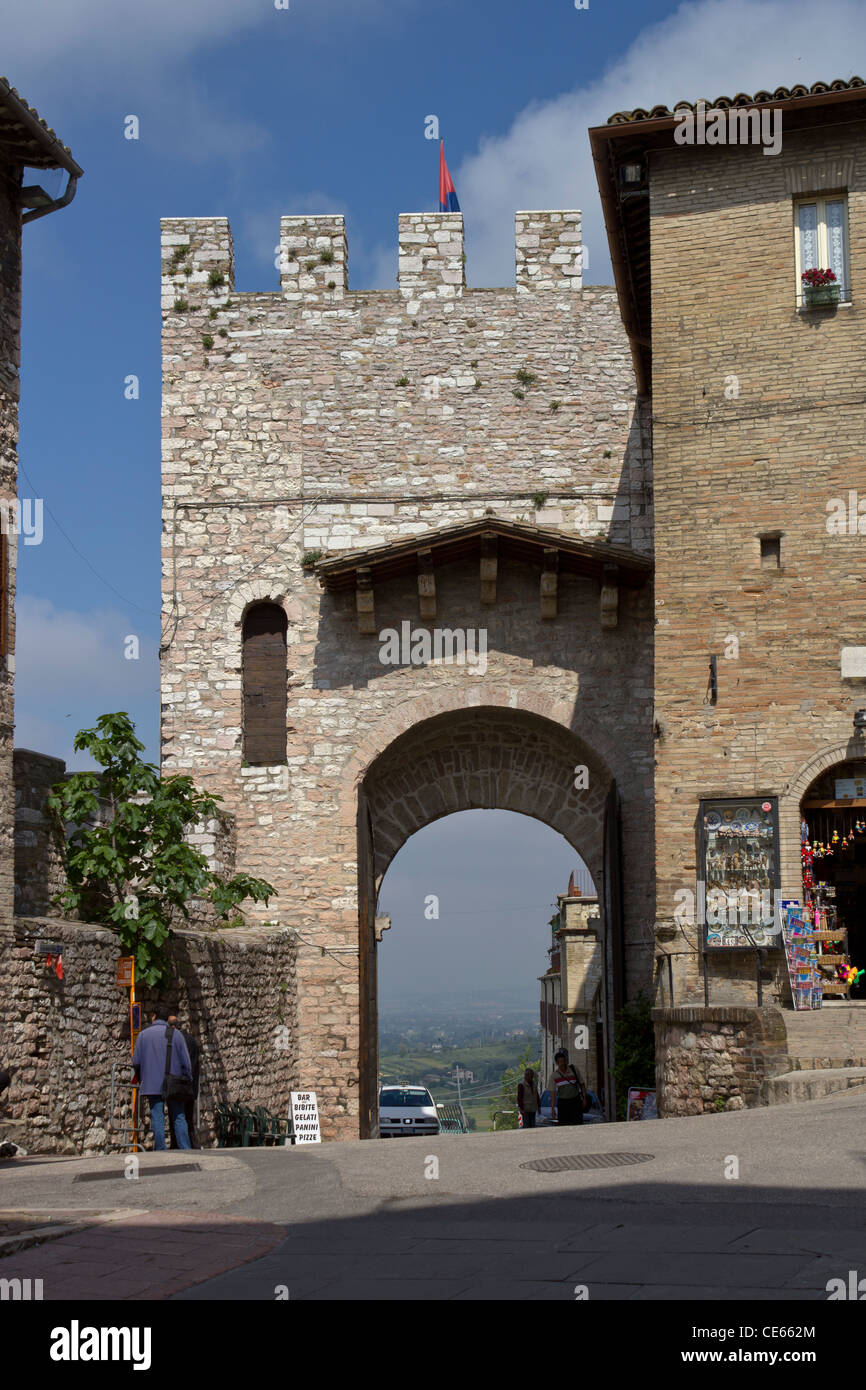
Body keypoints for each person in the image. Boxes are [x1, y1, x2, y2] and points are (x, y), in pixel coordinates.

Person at [132, 1008, 192, 1150]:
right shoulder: (176, 1035)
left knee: (157, 1116)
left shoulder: (142, 1036)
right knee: (178, 1116)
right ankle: (185, 1148)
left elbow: (135, 1061)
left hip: (152, 1084)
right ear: (166, 1020)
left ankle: (160, 1150)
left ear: (153, 1017)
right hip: (174, 1082)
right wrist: (188, 1078)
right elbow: (186, 1061)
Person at [167, 1013, 200, 1150]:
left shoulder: (178, 1040)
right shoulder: (191, 1040)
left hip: (179, 1084)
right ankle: (190, 1143)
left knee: (177, 1116)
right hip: (190, 1086)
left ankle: (179, 1144)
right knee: (187, 1117)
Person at [548, 1048, 586, 1126]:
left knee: (578, 1123)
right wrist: (552, 1109)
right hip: (563, 1103)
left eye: (564, 1061)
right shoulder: (554, 1076)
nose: (563, 1063)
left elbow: (582, 1084)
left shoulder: (574, 1070)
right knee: (564, 1124)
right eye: (560, 1062)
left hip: (575, 1101)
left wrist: (584, 1099)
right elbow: (552, 1093)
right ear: (557, 1063)